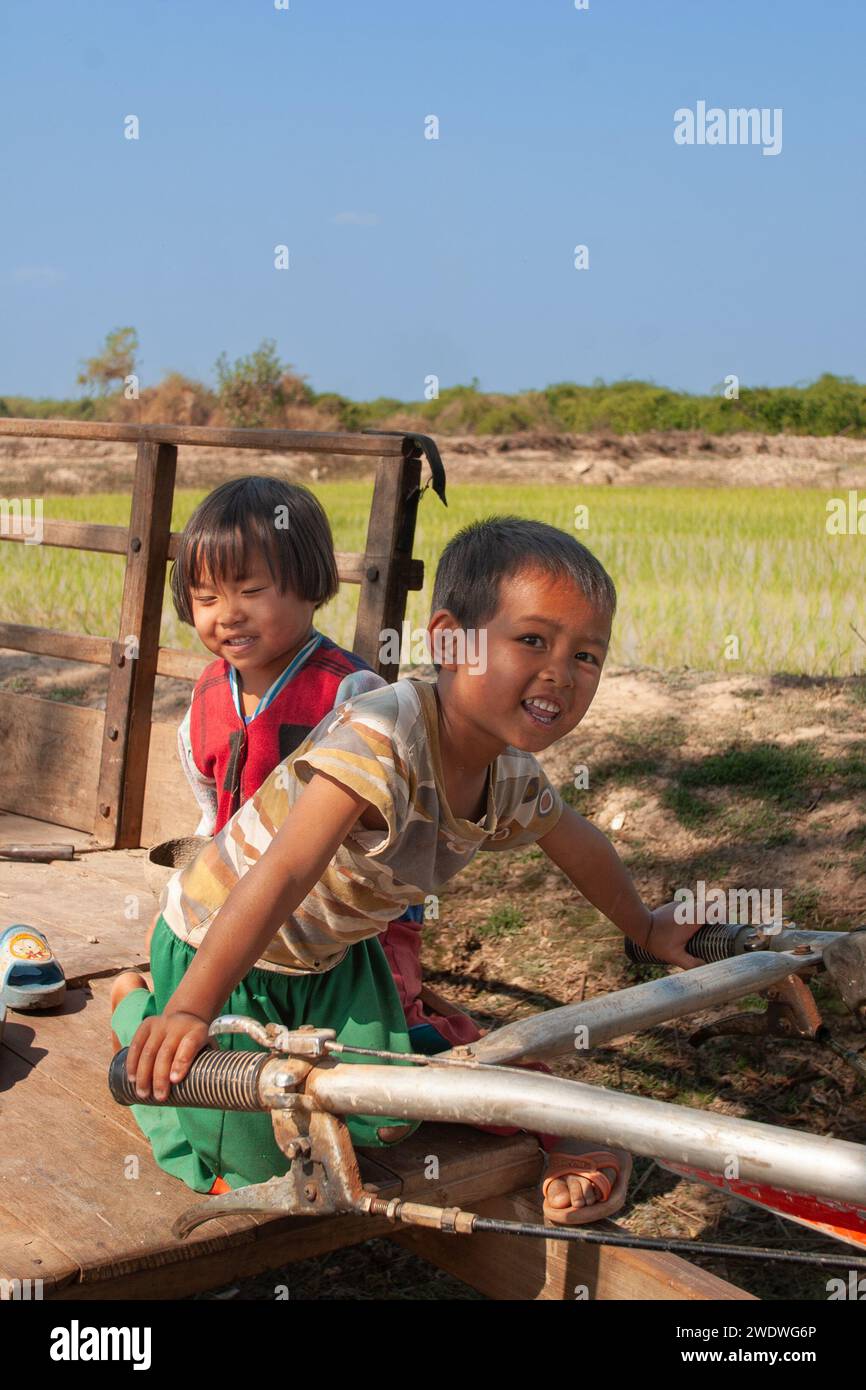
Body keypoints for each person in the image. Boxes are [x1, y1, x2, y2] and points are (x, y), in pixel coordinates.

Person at [112, 517, 699, 1223]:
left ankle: (411, 1057)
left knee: (382, 1121)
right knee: (253, 1170)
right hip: (222, 946)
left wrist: (645, 927)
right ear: (449, 640)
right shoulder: (382, 736)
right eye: (533, 641)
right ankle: (136, 1009)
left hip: (334, 959)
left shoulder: (509, 774)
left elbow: (579, 844)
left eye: (587, 657)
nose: (561, 673)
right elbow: (283, 873)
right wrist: (189, 1008)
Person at [167, 474, 479, 1054]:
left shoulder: (349, 693)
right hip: (244, 898)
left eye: (251, 591)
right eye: (207, 598)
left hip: (347, 908)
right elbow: (208, 798)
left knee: (384, 1036)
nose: (227, 615)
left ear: (310, 585)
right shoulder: (209, 692)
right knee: (221, 1020)